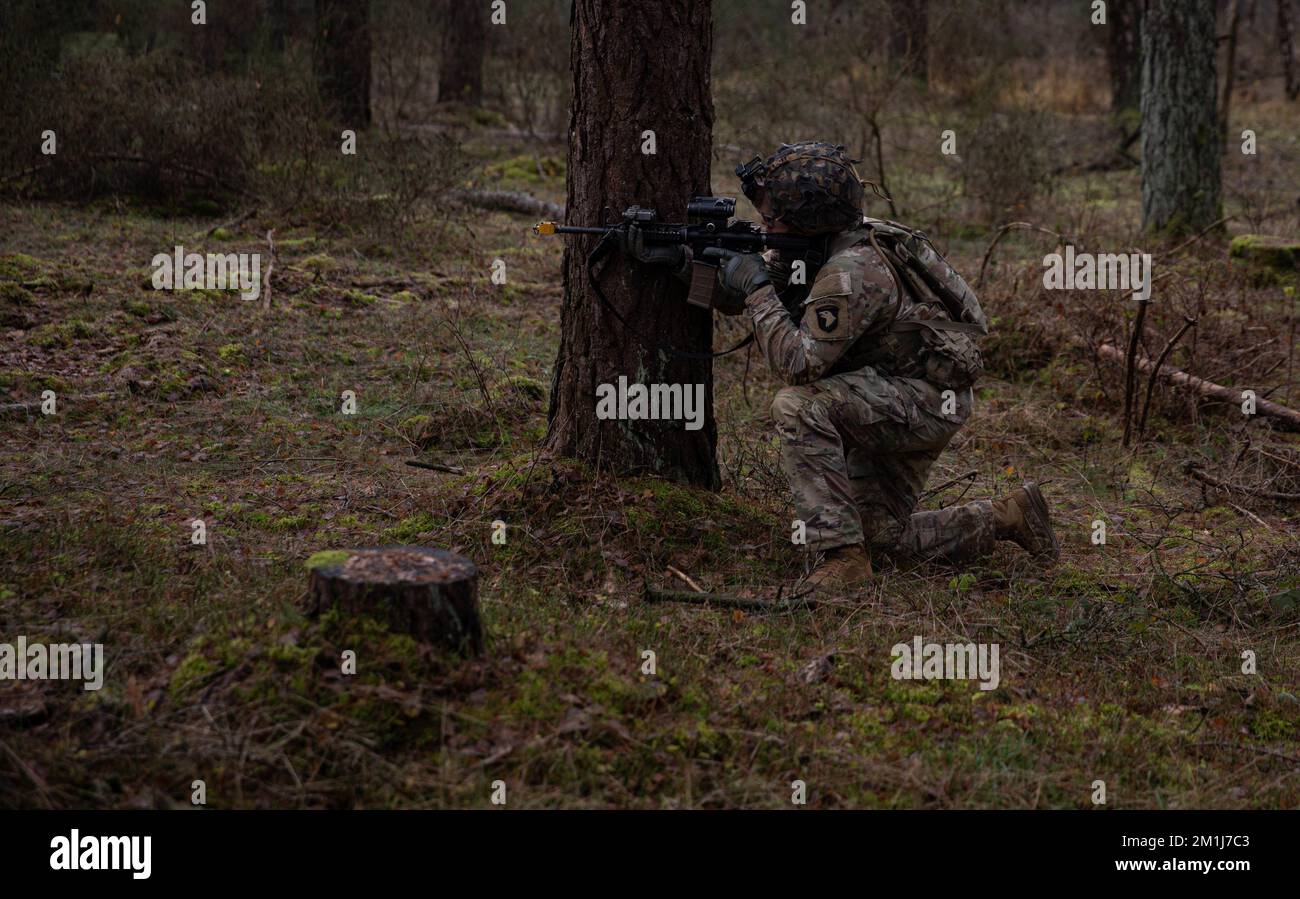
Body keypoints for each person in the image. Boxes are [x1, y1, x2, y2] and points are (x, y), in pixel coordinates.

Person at [622, 141, 1058, 593]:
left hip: (921, 401)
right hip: (897, 390)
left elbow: (798, 363)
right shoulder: (827, 242)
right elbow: (753, 286)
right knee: (881, 537)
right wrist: (681, 264)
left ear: (808, 219)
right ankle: (1010, 515)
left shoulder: (851, 272)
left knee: (797, 407)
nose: (766, 226)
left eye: (774, 218)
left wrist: (755, 289)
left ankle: (841, 558)